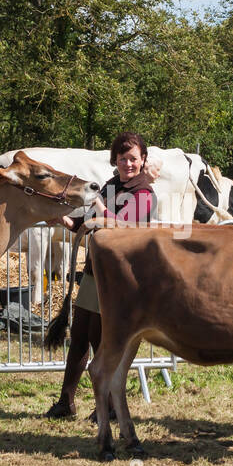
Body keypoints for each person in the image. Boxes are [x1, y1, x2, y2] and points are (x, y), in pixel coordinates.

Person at [44, 132, 158, 419]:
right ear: (115, 160)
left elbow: (121, 226)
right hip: (96, 271)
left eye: (133, 158)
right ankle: (66, 402)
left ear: (143, 160)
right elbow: (86, 222)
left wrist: (99, 206)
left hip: (122, 279)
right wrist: (63, 219)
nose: (127, 163)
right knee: (81, 336)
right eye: (122, 158)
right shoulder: (112, 186)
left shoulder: (144, 193)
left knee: (102, 340)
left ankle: (107, 405)